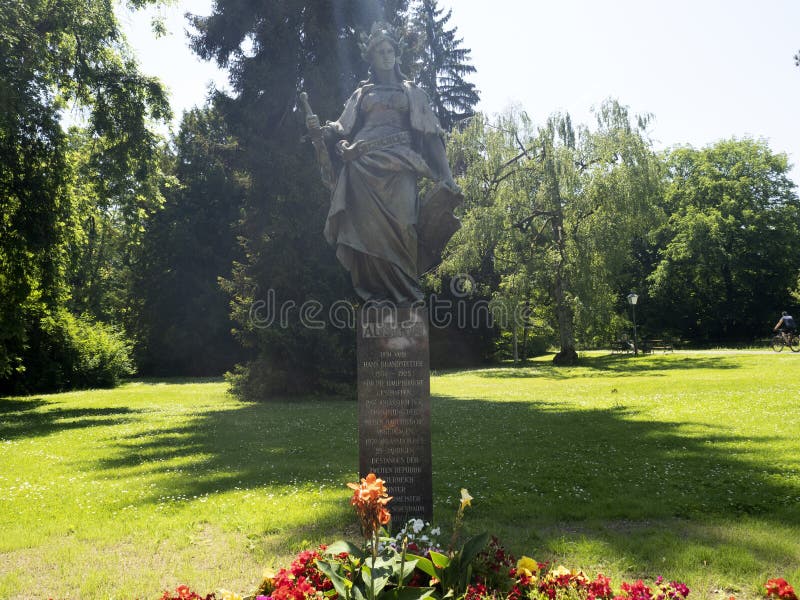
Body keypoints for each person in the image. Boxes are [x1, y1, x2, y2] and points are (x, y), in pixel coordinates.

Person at [305, 23, 460, 305]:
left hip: (401, 163)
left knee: (404, 224)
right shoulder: (362, 94)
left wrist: (447, 176)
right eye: (380, 52)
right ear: (371, 58)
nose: (387, 56)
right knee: (369, 233)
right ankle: (377, 294)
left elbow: (432, 135)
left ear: (397, 55)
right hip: (362, 166)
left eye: (390, 50)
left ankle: (407, 292)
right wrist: (320, 130)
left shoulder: (412, 92)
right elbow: (340, 128)